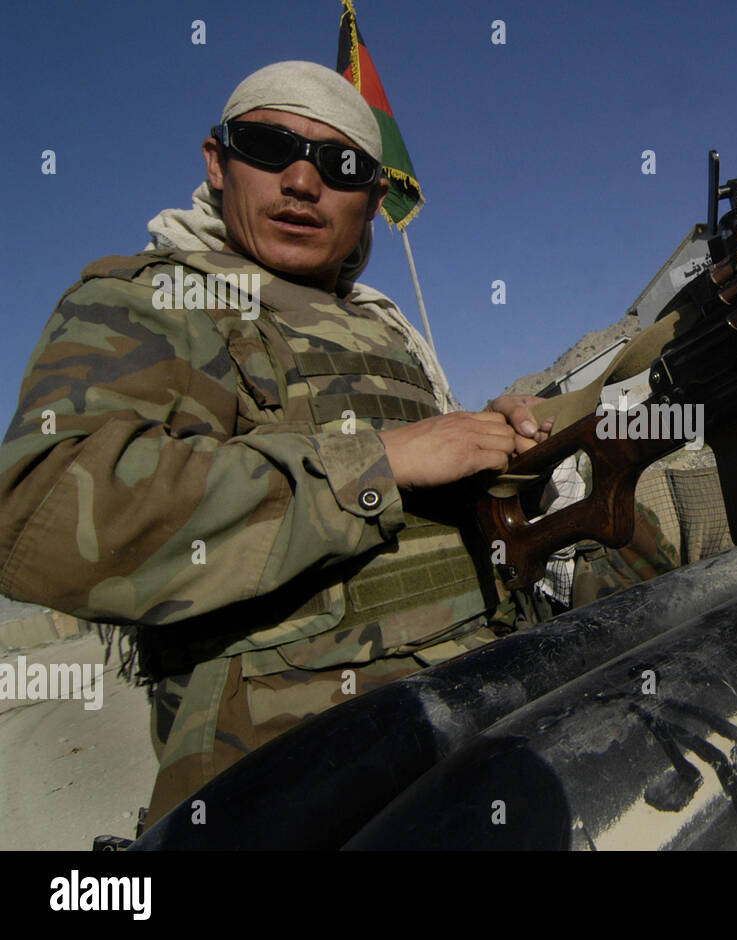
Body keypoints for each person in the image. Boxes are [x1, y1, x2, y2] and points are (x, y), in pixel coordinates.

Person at [0, 61, 675, 830]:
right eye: (268, 145)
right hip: (294, 778)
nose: (300, 180)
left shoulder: (389, 330)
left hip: (486, 709)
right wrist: (378, 462)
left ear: (371, 201)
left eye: (340, 164)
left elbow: (438, 514)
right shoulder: (152, 300)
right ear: (217, 163)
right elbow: (39, 516)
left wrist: (499, 449)